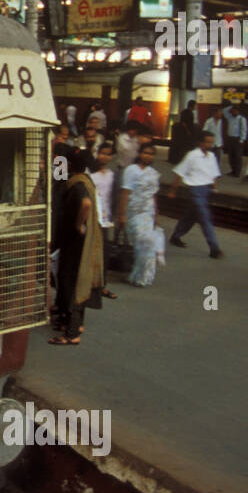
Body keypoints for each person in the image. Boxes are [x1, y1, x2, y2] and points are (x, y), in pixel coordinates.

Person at [49, 147, 104, 345]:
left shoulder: (76, 184)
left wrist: (78, 225)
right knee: (69, 278)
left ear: (69, 164)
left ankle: (72, 332)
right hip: (75, 239)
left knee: (72, 281)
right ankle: (70, 321)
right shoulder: (84, 180)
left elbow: (85, 204)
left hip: (75, 240)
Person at [169, 130, 224, 258]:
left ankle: (176, 237)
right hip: (195, 190)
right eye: (207, 142)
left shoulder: (212, 156)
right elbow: (179, 172)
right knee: (205, 218)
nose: (209, 145)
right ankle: (214, 248)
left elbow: (214, 174)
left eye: (211, 142)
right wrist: (173, 190)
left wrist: (214, 188)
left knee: (190, 216)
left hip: (207, 190)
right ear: (200, 142)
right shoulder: (192, 155)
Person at [119, 141, 162, 287]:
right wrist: (122, 214)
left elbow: (154, 195)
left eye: (151, 154)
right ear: (139, 154)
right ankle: (138, 276)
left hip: (148, 212)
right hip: (134, 212)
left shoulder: (153, 173)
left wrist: (156, 214)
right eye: (145, 153)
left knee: (148, 244)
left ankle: (142, 277)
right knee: (140, 243)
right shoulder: (131, 170)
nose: (148, 156)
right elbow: (125, 193)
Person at [88, 142, 118, 300]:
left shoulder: (112, 175)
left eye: (108, 154)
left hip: (105, 219)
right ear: (97, 153)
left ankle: (101, 285)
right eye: (102, 153)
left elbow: (113, 197)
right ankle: (89, 284)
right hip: (91, 218)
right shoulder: (89, 174)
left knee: (104, 252)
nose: (105, 157)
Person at [171, 99, 197, 166]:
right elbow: (184, 123)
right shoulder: (187, 113)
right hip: (184, 132)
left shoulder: (188, 112)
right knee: (183, 147)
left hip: (186, 131)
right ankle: (181, 160)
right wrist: (188, 131)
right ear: (192, 105)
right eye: (195, 105)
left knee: (184, 147)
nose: (195, 107)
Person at [225, 105, 248, 179]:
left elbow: (244, 130)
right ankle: (233, 170)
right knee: (231, 156)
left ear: (238, 111)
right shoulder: (230, 117)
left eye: (235, 111)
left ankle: (237, 172)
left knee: (238, 156)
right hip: (230, 138)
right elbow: (224, 111)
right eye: (232, 111)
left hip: (238, 139)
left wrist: (242, 140)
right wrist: (231, 105)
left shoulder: (241, 119)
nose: (233, 112)